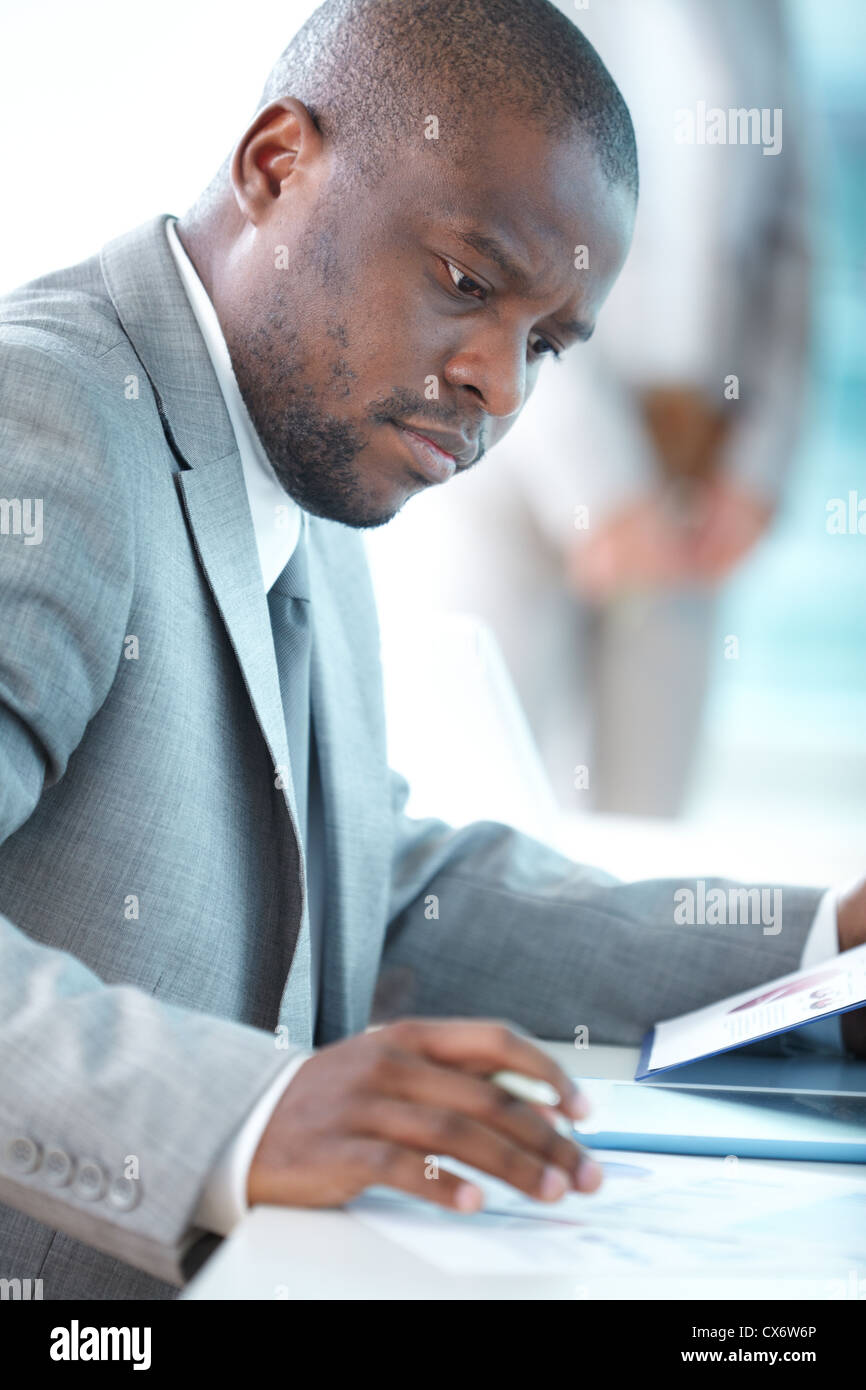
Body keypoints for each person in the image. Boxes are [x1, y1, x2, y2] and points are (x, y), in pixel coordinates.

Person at [0, 0, 862, 1301]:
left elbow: (373, 890)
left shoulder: (309, 450)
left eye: (545, 344)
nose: (503, 388)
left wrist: (808, 951)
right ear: (275, 162)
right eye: (466, 283)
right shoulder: (50, 420)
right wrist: (246, 1116)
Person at [368, 0, 810, 815]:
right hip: (514, 448)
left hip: (693, 464)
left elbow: (791, 237)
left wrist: (756, 470)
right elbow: (487, 230)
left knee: (647, 820)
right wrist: (601, 489)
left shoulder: (762, 15)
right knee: (478, 799)